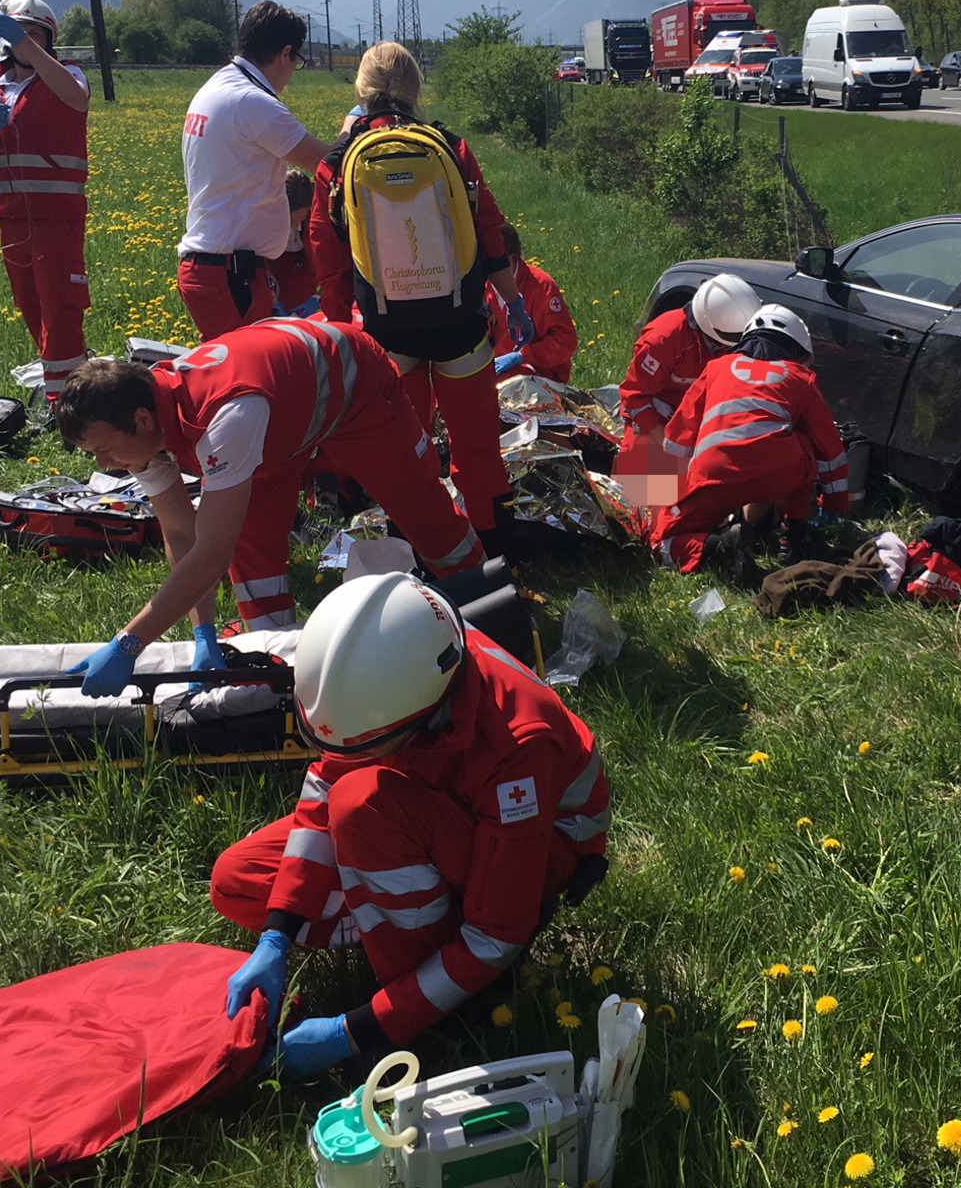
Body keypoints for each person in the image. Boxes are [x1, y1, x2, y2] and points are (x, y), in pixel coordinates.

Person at [214, 572, 611, 1077]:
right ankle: (407, 915)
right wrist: (277, 934)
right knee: (240, 879)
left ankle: (436, 1006)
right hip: (442, 804)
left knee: (361, 807)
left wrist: (357, 1031)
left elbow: (496, 935)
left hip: (541, 848)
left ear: (417, 723)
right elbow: (326, 783)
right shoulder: (402, 670)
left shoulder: (518, 747)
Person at [52, 322, 484, 690]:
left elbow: (208, 557)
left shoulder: (225, 418)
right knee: (250, 549)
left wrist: (130, 642)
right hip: (280, 417)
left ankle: (485, 607)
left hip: (356, 390)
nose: (105, 464)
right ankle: (275, 656)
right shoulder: (144, 427)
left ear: (142, 421)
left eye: (105, 449)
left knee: (425, 515)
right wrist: (202, 632)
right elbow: (184, 534)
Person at [309, 43, 527, 546]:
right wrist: (513, 302)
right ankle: (493, 546)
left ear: (361, 93)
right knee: (476, 446)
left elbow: (329, 263)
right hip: (460, 326)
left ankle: (421, 546)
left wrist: (341, 332)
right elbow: (490, 231)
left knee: (407, 446)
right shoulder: (451, 146)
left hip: (386, 330)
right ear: (416, 90)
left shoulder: (337, 164)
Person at [654, 304, 849, 577]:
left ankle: (722, 544)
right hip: (777, 474)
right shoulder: (801, 378)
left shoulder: (716, 368)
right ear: (795, 349)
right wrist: (835, 505)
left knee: (661, 543)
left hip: (715, 477)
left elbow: (678, 438)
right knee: (804, 442)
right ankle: (792, 536)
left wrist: (675, 492)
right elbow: (829, 449)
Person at [178, 3, 332, 339]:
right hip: (233, 274)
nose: (293, 73)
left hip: (216, 266)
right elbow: (328, 164)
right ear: (286, 53)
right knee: (250, 382)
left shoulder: (217, 87)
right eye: (298, 62)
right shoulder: (254, 102)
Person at [0, 0, 91, 404]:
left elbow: (75, 97)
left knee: (61, 311)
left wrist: (24, 43)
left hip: (57, 219)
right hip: (13, 221)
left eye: (35, 35)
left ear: (48, 40)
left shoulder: (68, 74)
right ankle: (73, 392)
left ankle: (70, 408)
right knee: (34, 311)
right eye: (20, 34)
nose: (25, 43)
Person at [615, 273, 760, 513]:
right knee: (646, 499)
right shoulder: (663, 339)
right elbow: (635, 397)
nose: (727, 350)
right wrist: (668, 444)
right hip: (657, 419)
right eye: (723, 345)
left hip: (708, 417)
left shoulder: (736, 334)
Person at [485, 224, 578, 383]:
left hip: (538, 373)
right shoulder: (483, 285)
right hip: (496, 369)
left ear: (511, 257)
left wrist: (522, 356)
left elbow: (565, 341)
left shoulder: (541, 286)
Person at [266, 168, 319, 316]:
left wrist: (319, 297)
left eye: (301, 219)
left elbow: (331, 263)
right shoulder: (262, 218)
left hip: (306, 284)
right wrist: (271, 300)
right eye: (290, 219)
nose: (295, 225)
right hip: (275, 282)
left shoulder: (318, 217)